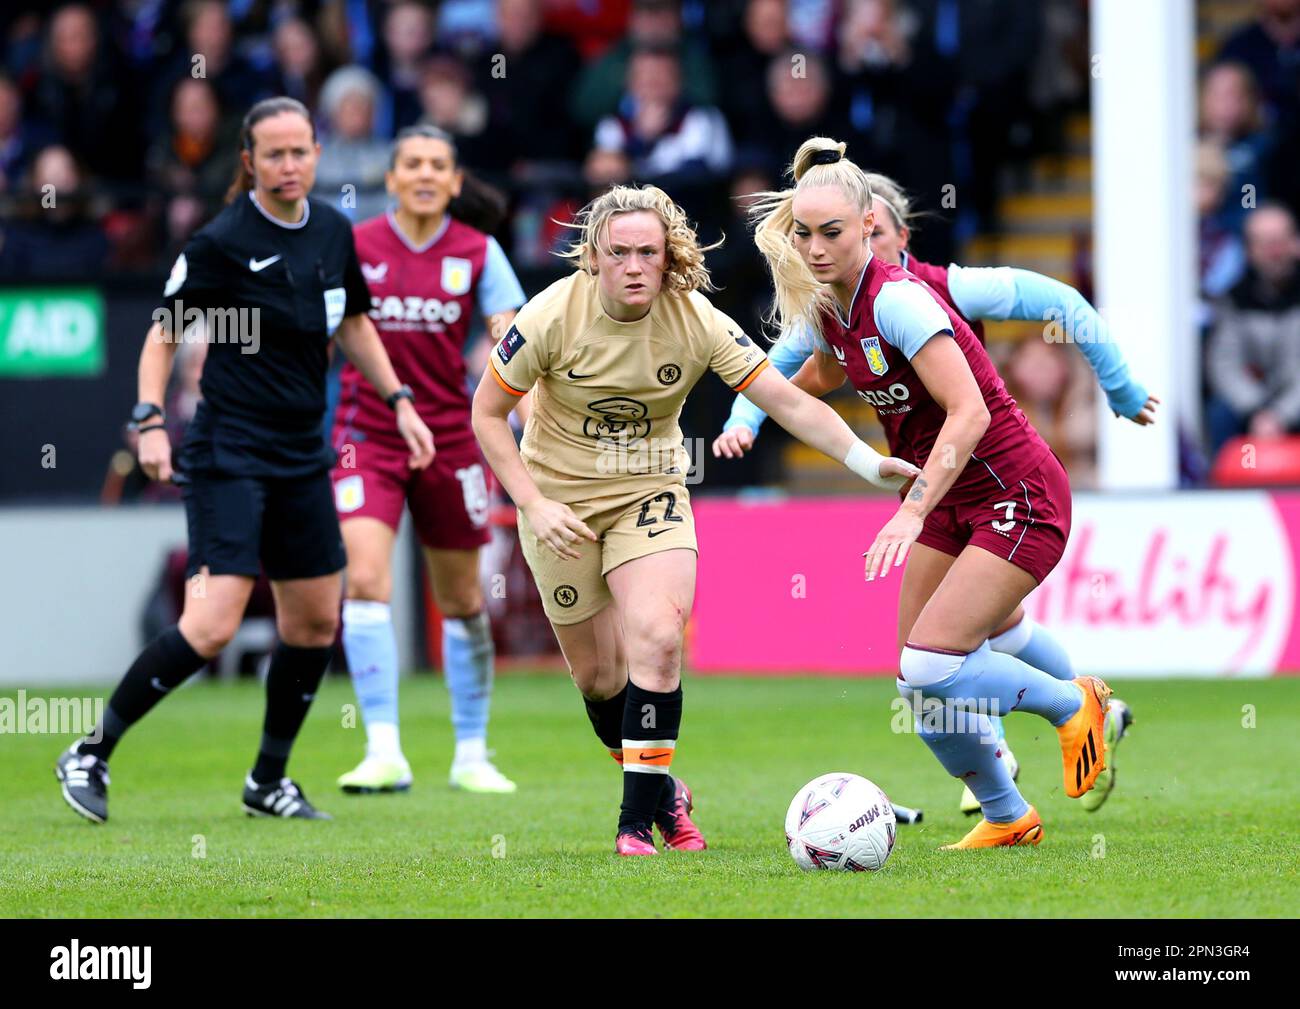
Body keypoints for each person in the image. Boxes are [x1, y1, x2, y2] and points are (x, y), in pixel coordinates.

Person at [471, 183, 920, 855]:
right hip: (558, 505)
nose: (632, 265)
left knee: (657, 638)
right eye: (618, 251)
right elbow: (486, 414)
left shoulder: (696, 320)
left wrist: (864, 460)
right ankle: (666, 791)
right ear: (594, 256)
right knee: (598, 681)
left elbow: (786, 400)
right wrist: (531, 502)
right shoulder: (547, 317)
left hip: (649, 494)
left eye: (646, 252)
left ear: (666, 255)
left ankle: (634, 827)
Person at [715, 168, 1154, 815]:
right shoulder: (833, 304)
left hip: (1015, 492)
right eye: (803, 233)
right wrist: (743, 411)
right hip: (949, 496)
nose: (813, 248)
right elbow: (810, 376)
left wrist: (911, 512)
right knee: (919, 684)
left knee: (932, 664)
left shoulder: (906, 298)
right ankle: (1007, 814)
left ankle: (1076, 704)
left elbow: (970, 412)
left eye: (830, 232)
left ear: (877, 228)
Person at [54, 97, 435, 824]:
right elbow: (163, 334)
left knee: (316, 622)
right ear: (249, 161)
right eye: (276, 154)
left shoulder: (330, 230)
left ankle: (268, 780)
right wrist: (150, 419)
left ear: (317, 153)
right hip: (230, 448)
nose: (290, 165)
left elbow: (353, 321)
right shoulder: (222, 240)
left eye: (302, 151)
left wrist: (400, 399)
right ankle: (91, 751)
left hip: (301, 451)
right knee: (212, 623)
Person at [331, 125, 526, 795]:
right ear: (391, 178)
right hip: (366, 435)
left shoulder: (478, 251)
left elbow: (514, 342)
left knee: (463, 597)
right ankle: (383, 748)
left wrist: (531, 418)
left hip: (450, 436)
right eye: (410, 162)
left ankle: (472, 751)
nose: (422, 173)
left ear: (452, 180)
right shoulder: (354, 246)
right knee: (364, 579)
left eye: (436, 165)